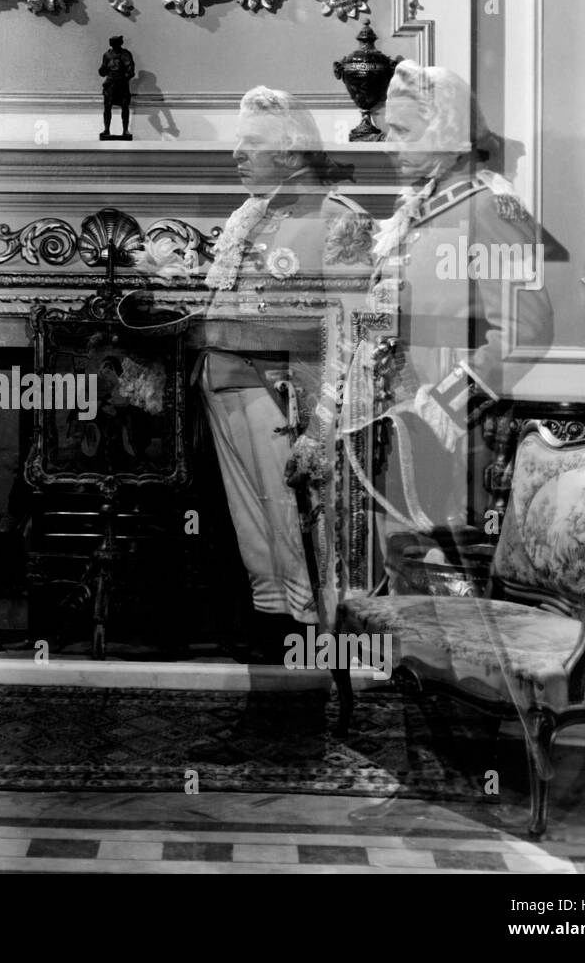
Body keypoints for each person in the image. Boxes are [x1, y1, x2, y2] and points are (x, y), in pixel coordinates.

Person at [339, 61, 553, 583]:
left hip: (453, 427)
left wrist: (443, 408)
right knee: (389, 564)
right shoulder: (415, 211)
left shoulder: (492, 209)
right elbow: (385, 310)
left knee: (438, 571)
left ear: (446, 135)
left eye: (403, 132)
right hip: (388, 415)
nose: (390, 144)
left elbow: (528, 329)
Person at [193, 87, 373, 641]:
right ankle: (274, 626)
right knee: (256, 525)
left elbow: (354, 326)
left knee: (299, 522)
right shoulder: (248, 215)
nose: (237, 155)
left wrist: (322, 422)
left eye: (252, 144)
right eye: (238, 143)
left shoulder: (338, 217)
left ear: (292, 152)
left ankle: (316, 638)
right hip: (225, 382)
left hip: (284, 390)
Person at [99, 36, 135, 140]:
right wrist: (102, 70)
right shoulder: (107, 55)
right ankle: (106, 130)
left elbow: (130, 68)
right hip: (110, 84)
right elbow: (103, 68)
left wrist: (126, 77)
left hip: (121, 83)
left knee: (124, 107)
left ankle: (125, 130)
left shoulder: (125, 54)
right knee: (107, 107)